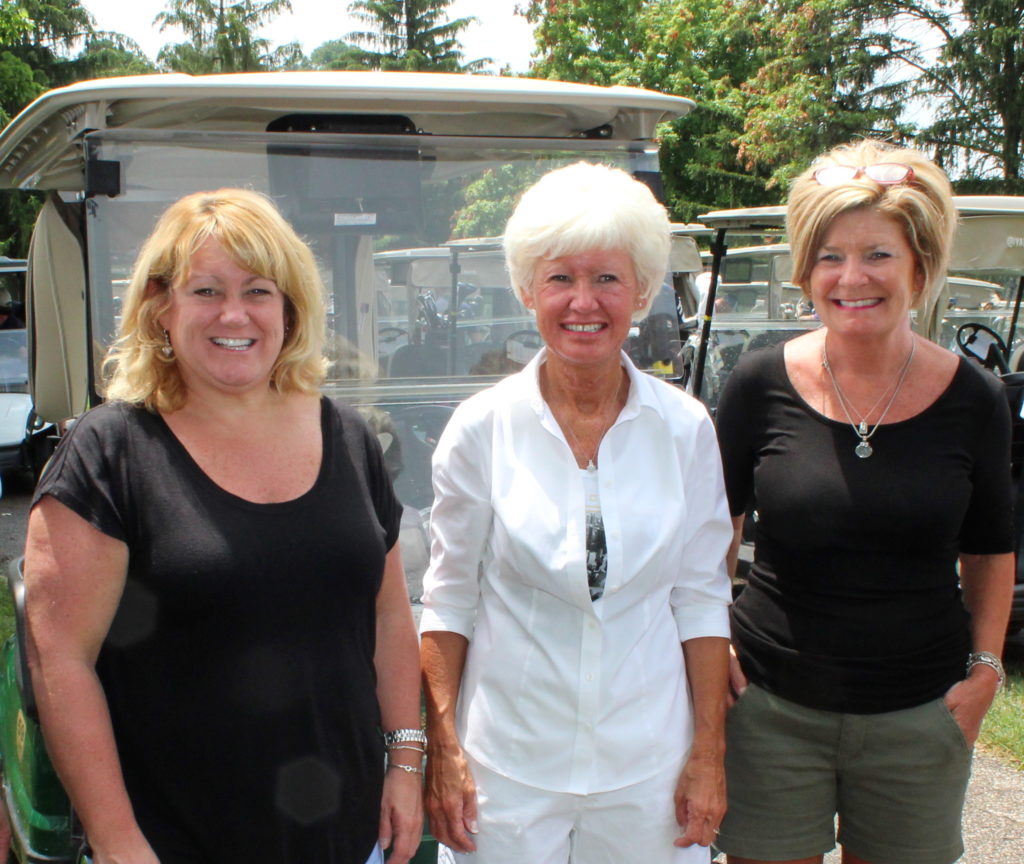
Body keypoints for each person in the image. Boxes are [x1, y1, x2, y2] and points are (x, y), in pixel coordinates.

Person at [23, 189, 423, 864]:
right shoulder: (110, 452)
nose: (234, 314)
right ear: (161, 308)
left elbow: (388, 617)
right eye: (206, 290)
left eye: (258, 291)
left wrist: (405, 764)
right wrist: (120, 845)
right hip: (175, 845)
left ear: (289, 309)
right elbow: (59, 659)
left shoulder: (350, 437)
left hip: (351, 842)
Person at [419, 162, 734, 864]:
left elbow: (701, 598)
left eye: (607, 279)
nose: (582, 301)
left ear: (644, 291)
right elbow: (448, 600)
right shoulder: (482, 427)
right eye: (560, 278)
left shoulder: (685, 430)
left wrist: (708, 754)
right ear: (528, 290)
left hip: (649, 766)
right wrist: (444, 749)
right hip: (505, 768)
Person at [714, 140, 1015, 864]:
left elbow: (991, 550)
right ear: (805, 270)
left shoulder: (975, 398)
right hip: (770, 707)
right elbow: (711, 538)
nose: (852, 277)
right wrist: (711, 642)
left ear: (920, 265)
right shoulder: (758, 385)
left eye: (877, 254)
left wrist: (984, 673)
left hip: (919, 713)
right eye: (829, 256)